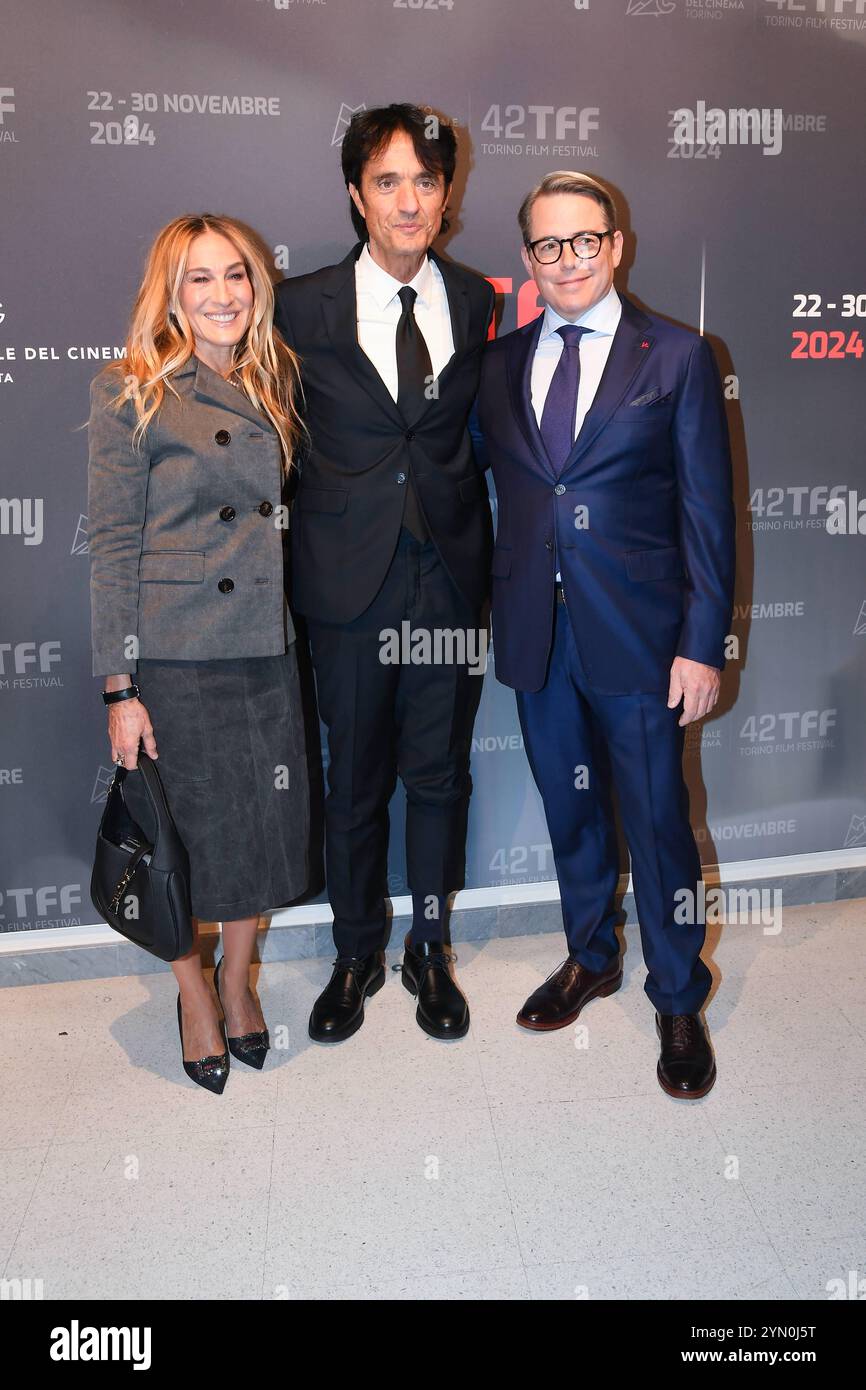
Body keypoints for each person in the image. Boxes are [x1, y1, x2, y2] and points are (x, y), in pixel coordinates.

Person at [475, 172, 735, 1097]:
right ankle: (592, 955)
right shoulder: (499, 364)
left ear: (615, 245)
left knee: (660, 826)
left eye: (585, 241)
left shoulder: (677, 357)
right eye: (549, 246)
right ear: (528, 260)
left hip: (642, 640)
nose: (568, 260)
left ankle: (676, 993)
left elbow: (709, 514)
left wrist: (701, 644)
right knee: (571, 812)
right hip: (539, 635)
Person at [274, 104, 495, 1043]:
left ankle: (430, 949)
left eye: (427, 181)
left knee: (439, 776)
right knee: (354, 778)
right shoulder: (298, 306)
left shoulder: (480, 299)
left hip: (445, 574)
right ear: (357, 194)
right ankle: (357, 948)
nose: (410, 200)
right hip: (346, 581)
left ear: (447, 196)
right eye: (389, 180)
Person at [88, 213, 310, 1093]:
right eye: (200, 280)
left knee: (260, 832)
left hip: (264, 646)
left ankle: (237, 977)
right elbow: (111, 546)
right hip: (175, 656)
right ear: (170, 295)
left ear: (257, 287)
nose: (222, 296)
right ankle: (195, 995)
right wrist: (120, 689)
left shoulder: (273, 381)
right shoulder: (131, 389)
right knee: (182, 841)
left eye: (237, 276)